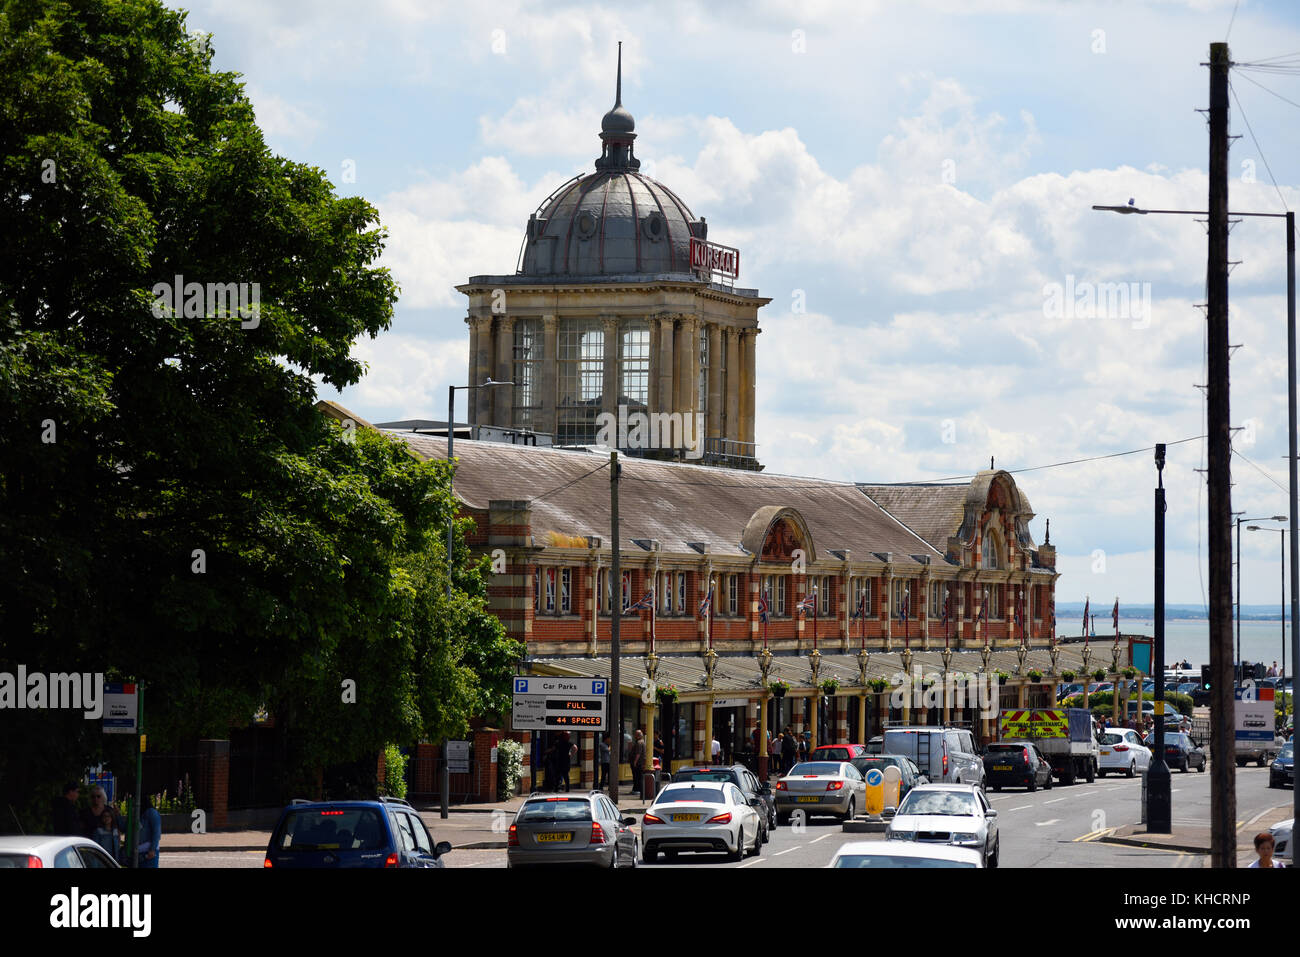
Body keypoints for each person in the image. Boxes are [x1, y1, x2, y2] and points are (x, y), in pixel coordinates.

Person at [136, 794, 161, 868]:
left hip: (148, 851)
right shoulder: (140, 813)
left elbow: (156, 833)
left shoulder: (151, 812)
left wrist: (152, 849)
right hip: (140, 851)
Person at [629, 730, 646, 797]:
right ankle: (636, 788)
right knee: (637, 776)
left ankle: (637, 789)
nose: (634, 736)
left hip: (638, 763)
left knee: (636, 776)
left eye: (635, 734)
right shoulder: (642, 742)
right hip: (640, 763)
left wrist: (635, 762)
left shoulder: (639, 743)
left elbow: (638, 754)